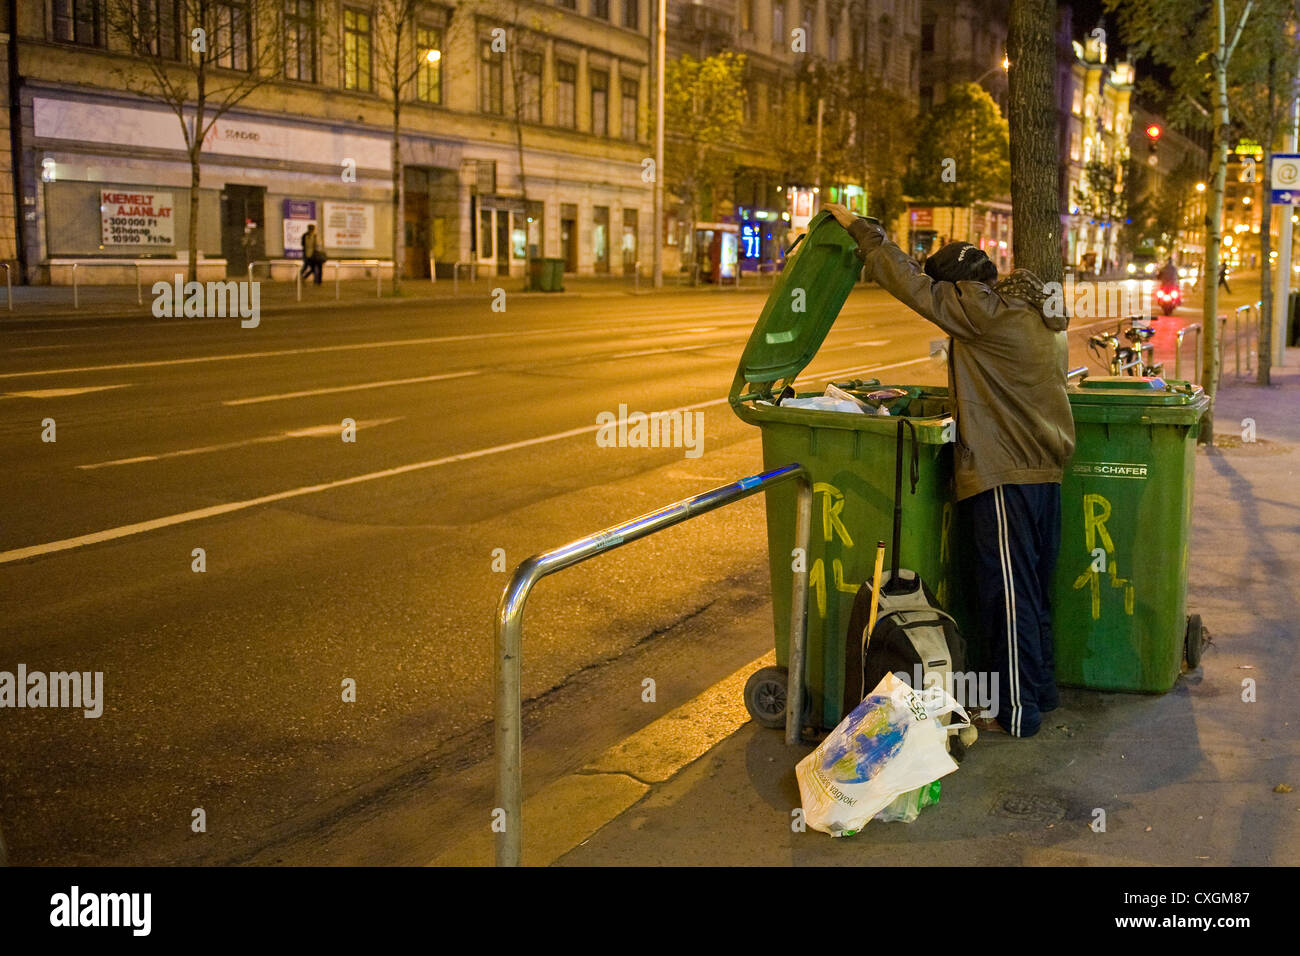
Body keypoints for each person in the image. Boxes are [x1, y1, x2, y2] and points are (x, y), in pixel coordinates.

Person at [823, 202, 1076, 738]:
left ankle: (1016, 713)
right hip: (1043, 472)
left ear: (964, 290)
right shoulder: (1031, 313)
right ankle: (1040, 696)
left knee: (1009, 600)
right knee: (1032, 592)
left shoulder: (984, 313)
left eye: (949, 294)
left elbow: (914, 287)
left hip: (1005, 473)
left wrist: (865, 233)